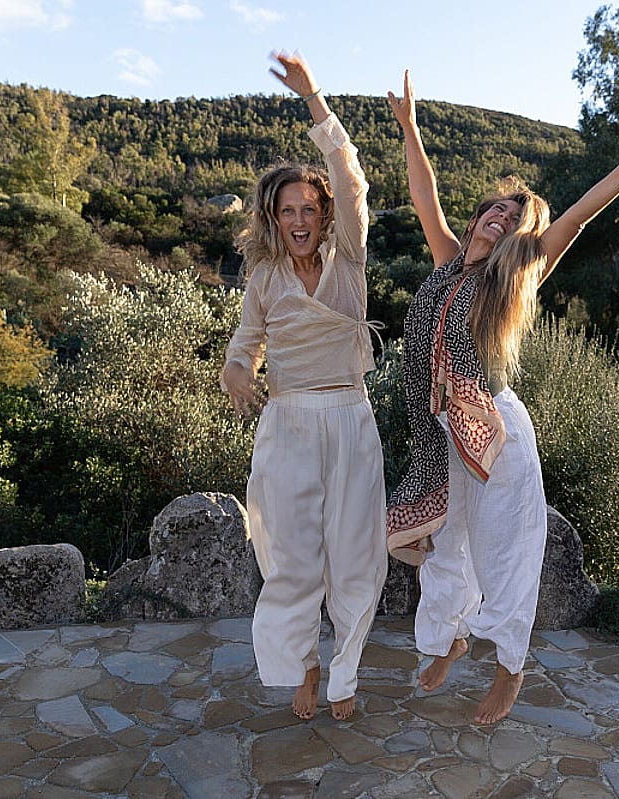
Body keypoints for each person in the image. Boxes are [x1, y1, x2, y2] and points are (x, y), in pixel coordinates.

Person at [385, 70, 619, 724]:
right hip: (445, 428)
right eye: (493, 210)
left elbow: (578, 214)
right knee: (446, 544)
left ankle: (509, 665)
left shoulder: (517, 277)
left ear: (516, 239)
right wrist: (411, 128)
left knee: (505, 545)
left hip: (498, 429)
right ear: (478, 219)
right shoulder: (449, 260)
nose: (499, 218)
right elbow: (423, 192)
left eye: (511, 218)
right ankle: (449, 638)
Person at [222, 51, 386, 722]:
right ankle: (305, 665)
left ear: (324, 216)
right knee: (289, 556)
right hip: (287, 421)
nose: (300, 218)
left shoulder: (349, 259)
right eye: (288, 209)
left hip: (348, 415)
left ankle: (344, 672)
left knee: (353, 557)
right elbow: (246, 344)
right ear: (273, 217)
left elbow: (350, 178)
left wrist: (314, 96)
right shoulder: (264, 277)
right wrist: (237, 371)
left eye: (310, 208)